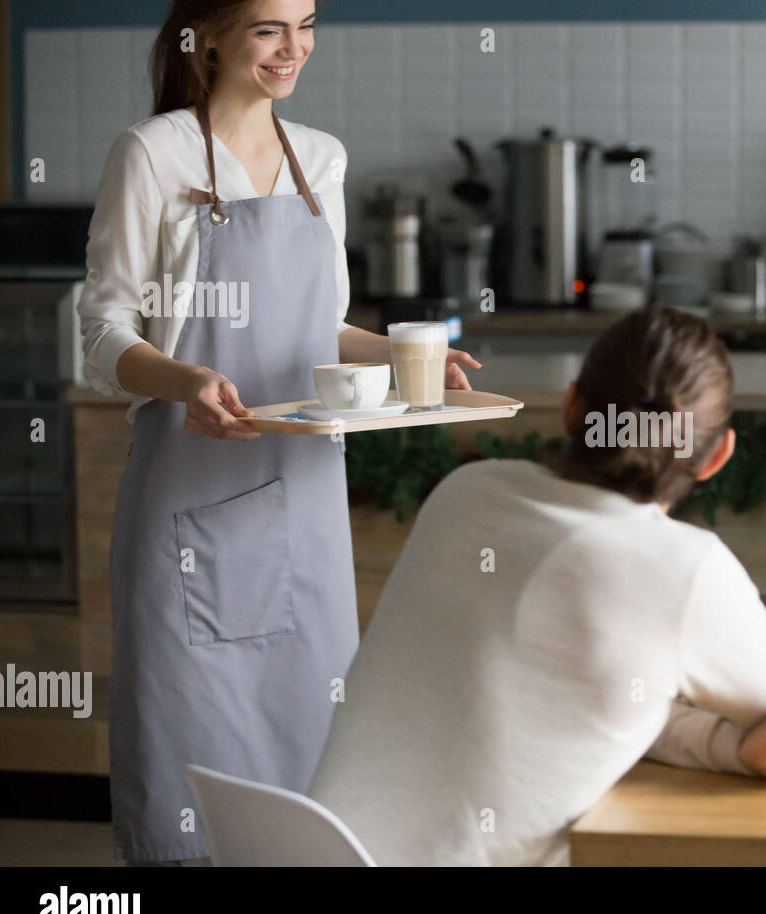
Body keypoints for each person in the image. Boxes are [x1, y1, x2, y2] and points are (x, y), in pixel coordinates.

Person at [79, 0, 479, 864]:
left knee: (312, 748)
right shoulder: (153, 153)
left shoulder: (320, 158)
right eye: (268, 28)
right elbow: (103, 333)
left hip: (304, 507)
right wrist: (186, 380)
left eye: (306, 23)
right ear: (210, 33)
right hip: (191, 496)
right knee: (190, 747)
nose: (294, 48)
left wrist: (414, 361)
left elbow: (320, 329)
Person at [308, 306, 766, 866]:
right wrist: (727, 744)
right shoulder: (682, 569)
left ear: (570, 408)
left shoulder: (465, 491)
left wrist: (724, 746)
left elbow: (587, 697)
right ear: (717, 457)